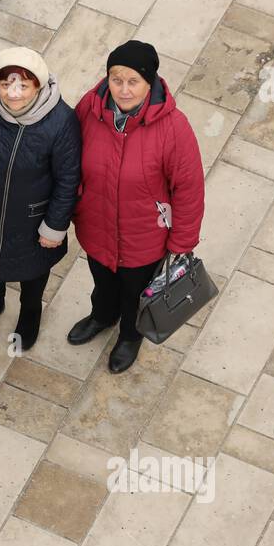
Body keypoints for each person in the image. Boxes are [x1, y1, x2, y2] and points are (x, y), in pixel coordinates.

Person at [67, 40, 205, 374]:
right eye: (117, 80)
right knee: (102, 282)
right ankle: (102, 316)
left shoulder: (174, 128)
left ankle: (130, 336)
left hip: (145, 237)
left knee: (136, 294)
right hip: (96, 226)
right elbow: (67, 158)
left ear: (150, 83)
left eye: (133, 82)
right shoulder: (89, 107)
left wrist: (182, 242)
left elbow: (188, 189)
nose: (124, 90)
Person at [0, 48, 80, 352]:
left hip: (32, 219)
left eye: (23, 86)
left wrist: (54, 226)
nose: (13, 94)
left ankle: (30, 311)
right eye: (5, 84)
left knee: (33, 270)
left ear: (38, 86)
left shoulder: (61, 121)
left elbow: (68, 179)